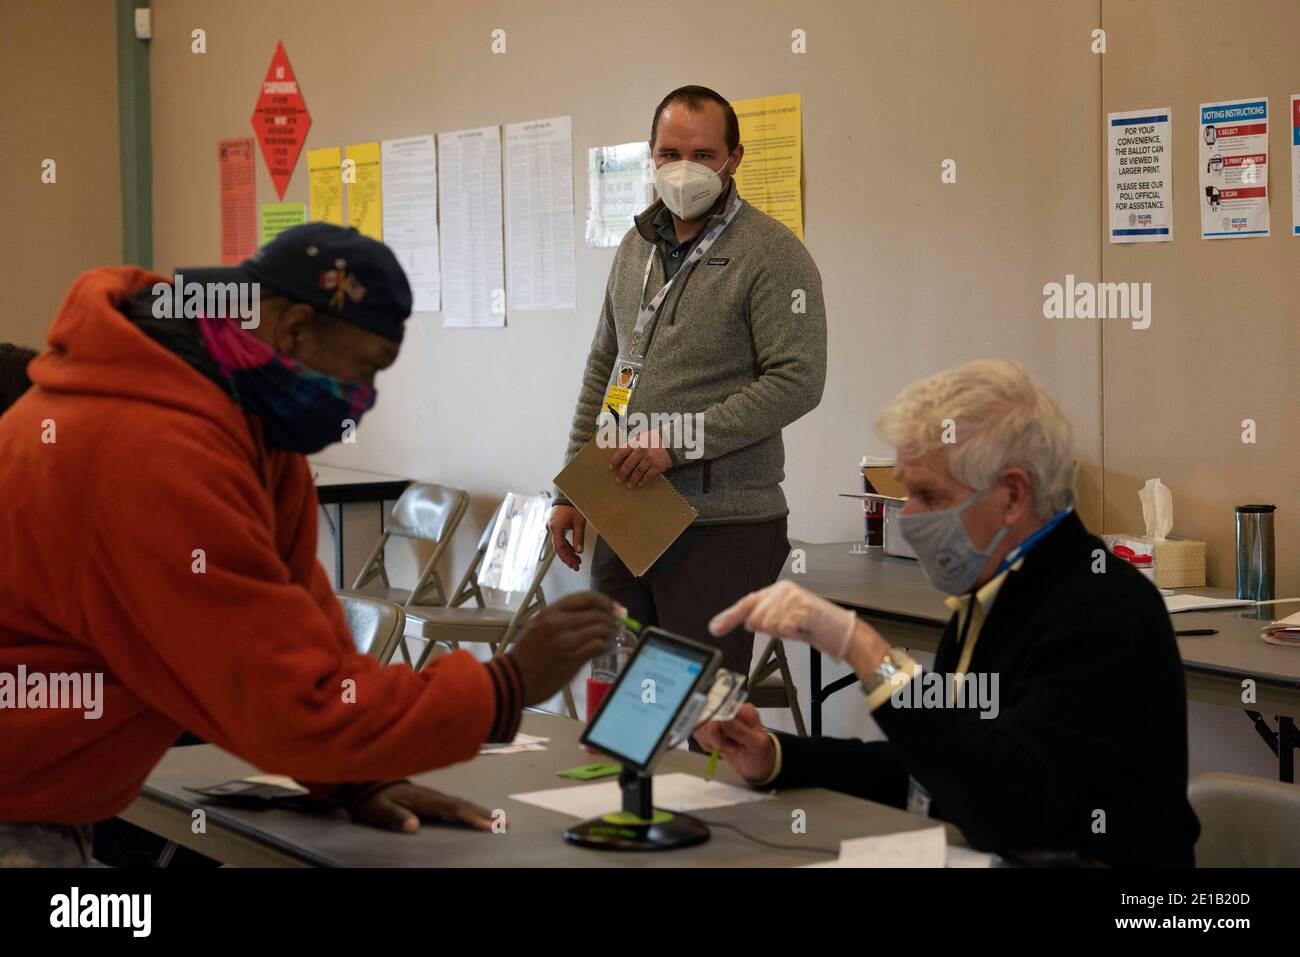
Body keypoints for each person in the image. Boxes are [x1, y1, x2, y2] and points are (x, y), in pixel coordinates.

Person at [0, 224, 618, 866]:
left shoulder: (252, 431)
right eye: (367, 367)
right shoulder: (152, 450)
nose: (367, 398)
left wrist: (355, 778)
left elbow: (304, 648)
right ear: (295, 329)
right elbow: (290, 707)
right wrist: (508, 686)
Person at [697, 359, 1200, 866]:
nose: (909, 515)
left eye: (929, 495)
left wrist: (864, 648)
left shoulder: (1101, 611)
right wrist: (776, 757)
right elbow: (938, 765)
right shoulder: (996, 593)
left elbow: (1002, 807)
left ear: (1012, 494)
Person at [547, 85, 827, 679]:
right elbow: (604, 366)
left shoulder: (773, 254)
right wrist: (571, 489)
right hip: (625, 512)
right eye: (670, 153)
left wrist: (675, 444)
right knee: (617, 695)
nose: (684, 169)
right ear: (650, 155)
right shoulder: (634, 247)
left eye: (702, 155)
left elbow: (798, 381)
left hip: (722, 523)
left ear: (734, 159)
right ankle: (626, 780)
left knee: (693, 707)